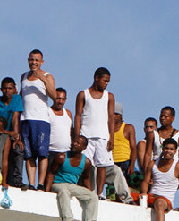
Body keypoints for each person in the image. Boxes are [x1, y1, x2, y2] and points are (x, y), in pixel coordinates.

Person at [45, 134, 101, 221]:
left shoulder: (86, 162)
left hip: (73, 186)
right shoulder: (61, 157)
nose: (74, 144)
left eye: (78, 143)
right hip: (58, 184)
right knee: (64, 190)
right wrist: (47, 191)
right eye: (74, 141)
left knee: (93, 196)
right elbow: (51, 173)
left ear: (84, 148)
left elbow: (86, 179)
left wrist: (89, 191)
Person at [74, 67, 115, 198]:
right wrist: (77, 135)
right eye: (104, 80)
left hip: (103, 136)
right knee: (86, 164)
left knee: (102, 165)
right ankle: (86, 189)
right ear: (96, 78)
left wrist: (111, 137)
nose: (106, 83)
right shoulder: (83, 94)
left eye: (108, 81)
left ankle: (99, 193)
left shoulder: (109, 96)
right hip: (86, 135)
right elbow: (78, 115)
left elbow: (110, 118)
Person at [19, 49, 56, 190]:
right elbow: (21, 95)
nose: (33, 63)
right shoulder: (23, 76)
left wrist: (44, 80)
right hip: (25, 118)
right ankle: (31, 183)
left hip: (41, 119)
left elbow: (54, 95)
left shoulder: (48, 75)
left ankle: (40, 183)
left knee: (41, 153)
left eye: (36, 60)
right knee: (29, 154)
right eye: (31, 60)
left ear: (41, 62)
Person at [0, 77, 24, 186]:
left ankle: (17, 180)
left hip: (8, 135)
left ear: (14, 89)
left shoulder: (17, 99)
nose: (8, 91)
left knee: (18, 149)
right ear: (1, 89)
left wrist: (16, 137)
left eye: (10, 88)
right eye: (5, 88)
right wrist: (3, 131)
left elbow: (15, 119)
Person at [47, 87, 72, 167]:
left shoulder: (68, 113)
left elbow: (71, 131)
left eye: (63, 99)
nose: (60, 102)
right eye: (58, 98)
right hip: (51, 152)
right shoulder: (47, 112)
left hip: (67, 152)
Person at [112, 103, 136, 179]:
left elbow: (133, 148)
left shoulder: (128, 127)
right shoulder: (106, 128)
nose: (114, 116)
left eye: (116, 114)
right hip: (111, 162)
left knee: (137, 181)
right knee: (113, 188)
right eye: (112, 114)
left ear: (121, 116)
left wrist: (132, 165)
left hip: (126, 161)